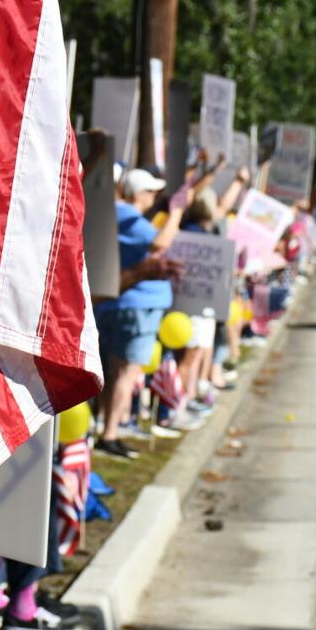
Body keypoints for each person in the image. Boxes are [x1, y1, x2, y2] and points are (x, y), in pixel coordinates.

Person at [93, 168, 192, 459]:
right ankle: (110, 433)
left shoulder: (121, 216)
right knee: (127, 372)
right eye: (151, 191)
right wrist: (177, 211)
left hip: (121, 302)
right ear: (137, 193)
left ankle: (108, 426)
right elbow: (161, 242)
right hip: (136, 305)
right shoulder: (125, 214)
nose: (155, 197)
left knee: (115, 372)